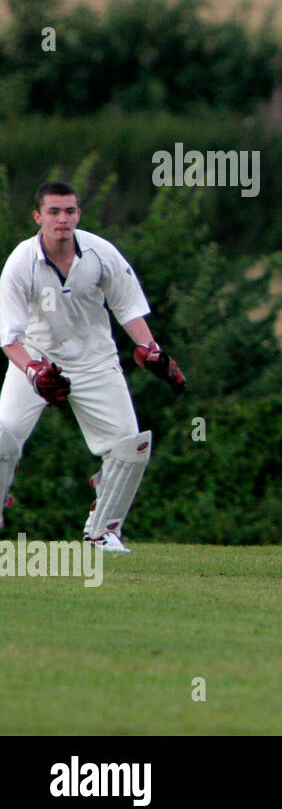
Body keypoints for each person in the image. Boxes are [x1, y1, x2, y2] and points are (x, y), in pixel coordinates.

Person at [0, 182, 186, 552]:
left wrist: (151, 350)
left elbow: (128, 307)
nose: (62, 219)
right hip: (38, 359)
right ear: (38, 217)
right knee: (2, 437)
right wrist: (34, 372)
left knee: (129, 448)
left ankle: (102, 533)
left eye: (69, 211)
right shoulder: (22, 261)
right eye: (53, 212)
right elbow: (8, 337)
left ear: (78, 215)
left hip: (95, 361)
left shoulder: (100, 253)